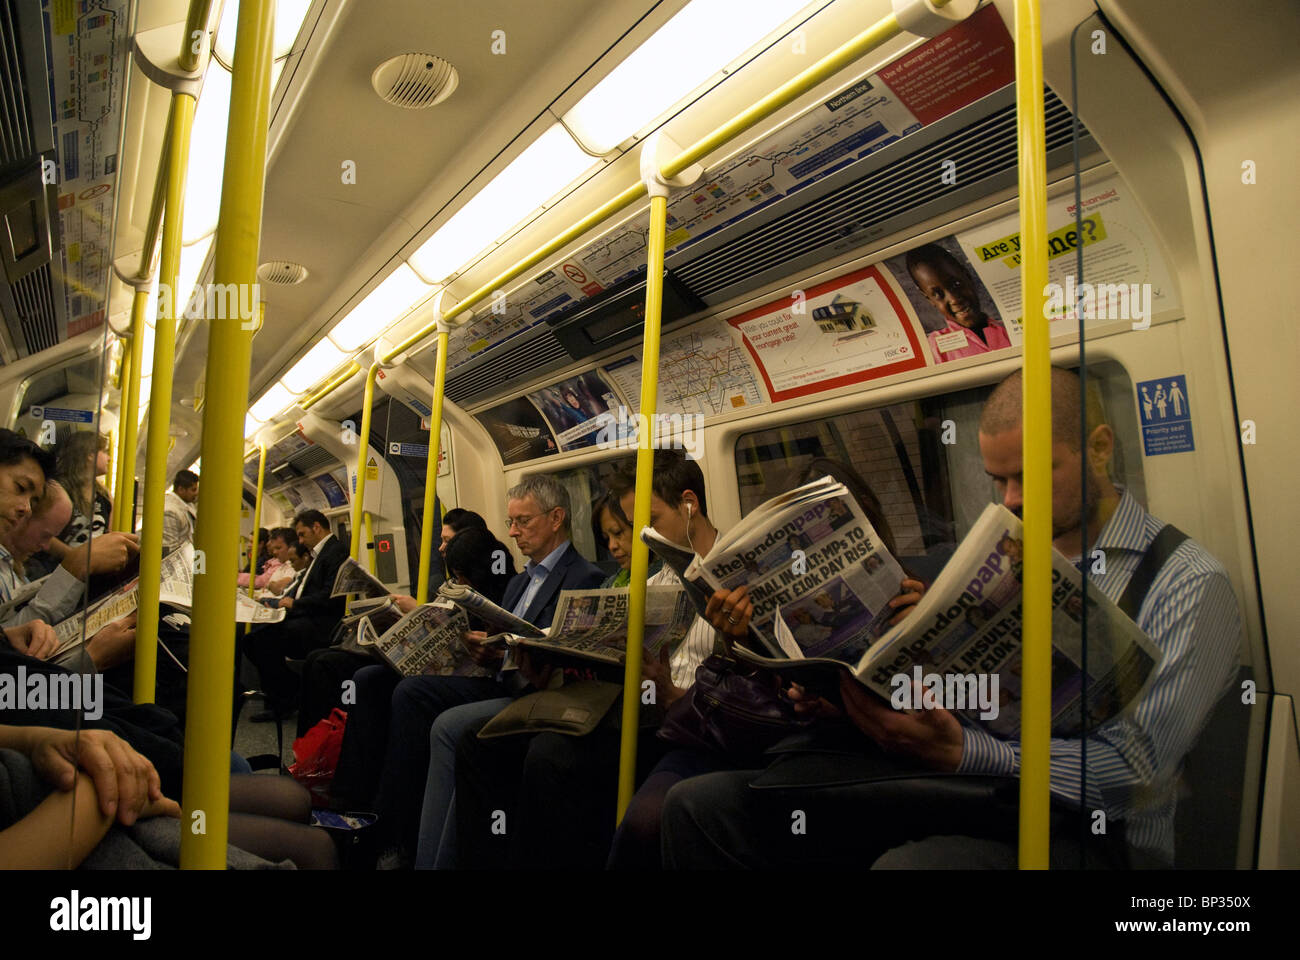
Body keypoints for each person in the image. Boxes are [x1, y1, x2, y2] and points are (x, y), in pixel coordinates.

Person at [660, 367, 1242, 869]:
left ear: (1099, 447)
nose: (1010, 500)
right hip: (969, 790)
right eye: (997, 480)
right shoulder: (1006, 548)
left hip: (1089, 834)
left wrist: (966, 751)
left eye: (1031, 476)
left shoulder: (1187, 583)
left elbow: (1136, 773)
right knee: (702, 809)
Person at [446, 451, 724, 870]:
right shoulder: (652, 584)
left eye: (649, 521)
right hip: (634, 707)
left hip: (684, 719)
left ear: (689, 504)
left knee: (551, 755)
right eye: (637, 527)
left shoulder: (733, 574)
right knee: (480, 743)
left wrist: (669, 691)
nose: (644, 536)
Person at [332, 474, 604, 865]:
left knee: (425, 706)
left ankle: (400, 837)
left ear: (556, 517)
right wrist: (485, 649)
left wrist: (514, 654)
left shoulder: (584, 578)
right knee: (394, 684)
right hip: (500, 678)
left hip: (537, 692)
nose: (512, 532)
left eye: (522, 522)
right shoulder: (520, 581)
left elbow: (571, 659)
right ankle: (386, 822)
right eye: (510, 522)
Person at [244, 510, 348, 721]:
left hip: (320, 623)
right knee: (252, 637)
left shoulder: (335, 552)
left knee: (262, 640)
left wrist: (296, 604)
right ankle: (286, 692)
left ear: (316, 528)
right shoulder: (319, 554)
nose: (300, 540)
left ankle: (286, 695)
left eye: (302, 534)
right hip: (304, 616)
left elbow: (331, 595)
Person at [905, 244, 1011, 364]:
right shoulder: (934, 347)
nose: (954, 299)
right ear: (929, 300)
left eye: (956, 284)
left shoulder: (1009, 328)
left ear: (967, 276)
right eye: (938, 294)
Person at [48, 431, 113, 555]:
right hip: (58, 568)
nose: (109, 458)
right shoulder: (57, 489)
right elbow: (43, 534)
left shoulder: (104, 495)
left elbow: (107, 534)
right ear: (90, 454)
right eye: (105, 452)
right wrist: (75, 558)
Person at [162, 469, 199, 551]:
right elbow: (169, 548)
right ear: (181, 489)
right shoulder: (169, 511)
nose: (196, 493)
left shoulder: (188, 504)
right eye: (193, 490)